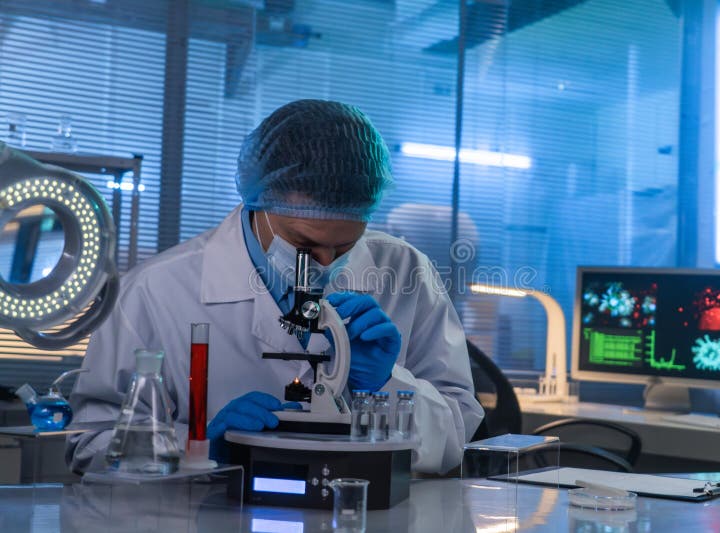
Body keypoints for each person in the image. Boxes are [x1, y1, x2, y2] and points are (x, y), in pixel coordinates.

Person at [66, 99, 484, 474]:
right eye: (304, 244)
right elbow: (91, 442)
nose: (325, 263)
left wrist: (388, 384)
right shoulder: (156, 290)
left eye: (345, 245)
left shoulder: (407, 271)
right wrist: (199, 447)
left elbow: (458, 430)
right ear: (258, 203)